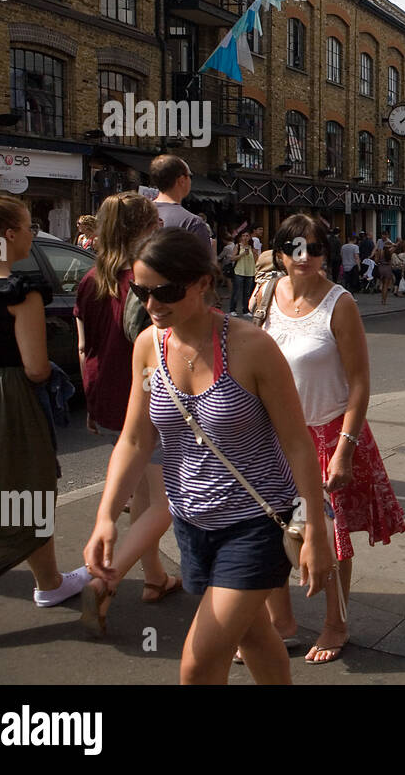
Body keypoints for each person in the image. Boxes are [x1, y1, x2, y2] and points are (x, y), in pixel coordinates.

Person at [83, 228, 333, 684]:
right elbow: (137, 440)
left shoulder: (252, 347)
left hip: (256, 522)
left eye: (166, 292)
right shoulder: (148, 347)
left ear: (202, 282)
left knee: (197, 665)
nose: (153, 305)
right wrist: (104, 517)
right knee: (255, 635)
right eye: (141, 292)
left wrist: (315, 528)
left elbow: (298, 443)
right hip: (192, 523)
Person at [258, 215, 405, 664]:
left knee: (330, 539)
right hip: (273, 438)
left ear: (327, 253)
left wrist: (345, 447)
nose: (305, 257)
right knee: (273, 532)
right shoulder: (266, 294)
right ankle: (280, 622)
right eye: (295, 248)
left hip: (328, 435)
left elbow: (360, 382)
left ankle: (335, 622)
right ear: (281, 252)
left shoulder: (340, 304)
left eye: (315, 248)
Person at [0, 190, 91, 603]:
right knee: (29, 484)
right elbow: (35, 367)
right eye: (29, 227)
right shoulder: (17, 291)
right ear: (9, 235)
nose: (33, 234)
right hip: (3, 398)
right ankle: (48, 583)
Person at [74, 192, 179, 631]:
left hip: (108, 394)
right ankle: (106, 579)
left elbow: (83, 347)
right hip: (149, 400)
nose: (160, 229)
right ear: (144, 228)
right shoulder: (143, 279)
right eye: (155, 223)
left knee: (140, 493)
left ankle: (154, 577)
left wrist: (91, 399)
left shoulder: (90, 278)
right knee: (167, 501)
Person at [149, 154, 211, 248]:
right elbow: (203, 262)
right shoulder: (193, 223)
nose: (191, 181)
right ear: (182, 180)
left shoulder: (139, 214)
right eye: (190, 176)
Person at [229, 231, 257, 317]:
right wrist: (242, 254)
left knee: (247, 292)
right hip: (239, 271)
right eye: (243, 236)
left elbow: (256, 259)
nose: (245, 237)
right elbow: (232, 258)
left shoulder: (251, 247)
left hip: (250, 271)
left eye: (247, 236)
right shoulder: (238, 246)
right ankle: (232, 309)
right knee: (236, 291)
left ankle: (246, 310)